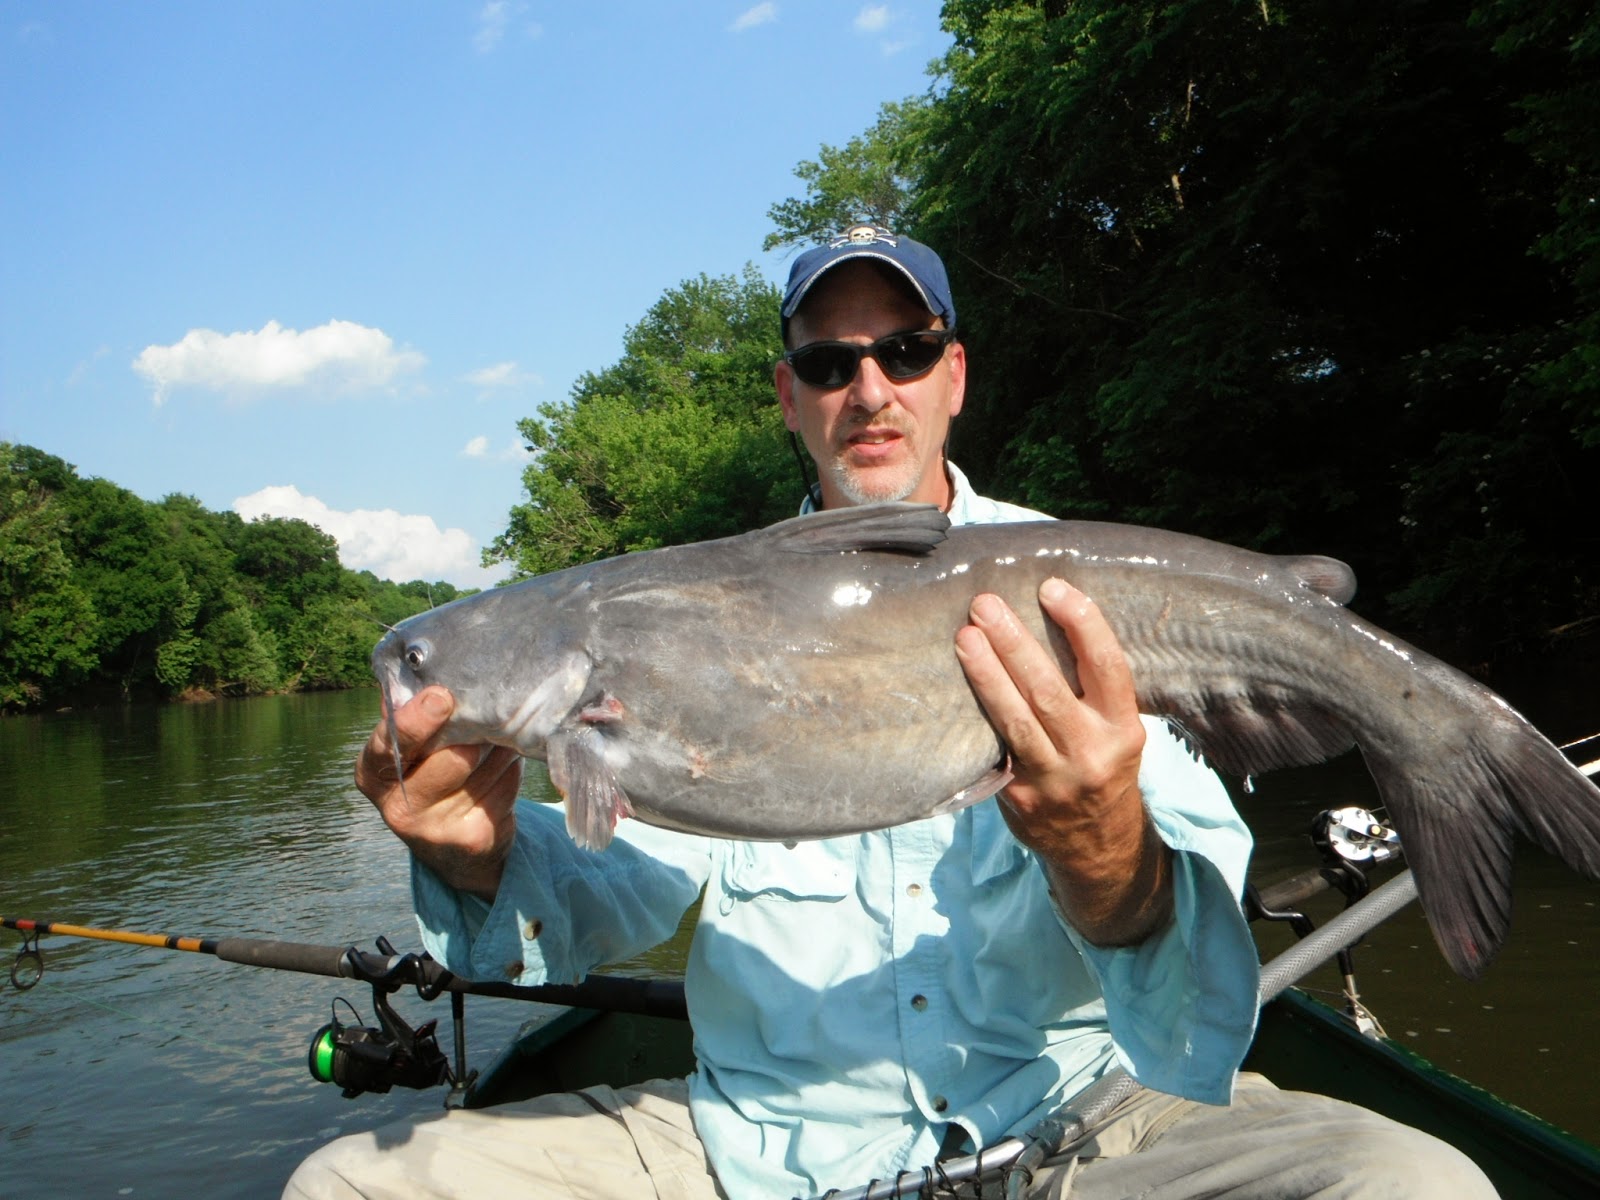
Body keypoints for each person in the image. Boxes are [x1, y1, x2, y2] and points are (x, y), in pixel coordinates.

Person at [286, 226, 1496, 1199]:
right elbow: (610, 898)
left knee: (1413, 1184)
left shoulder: (1071, 590)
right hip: (761, 1155)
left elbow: (1186, 979)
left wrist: (1102, 849)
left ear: (951, 375)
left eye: (905, 350)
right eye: (826, 362)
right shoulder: (675, 621)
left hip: (1076, 1130)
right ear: (788, 394)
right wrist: (479, 855)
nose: (868, 387)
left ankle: (1450, 749)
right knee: (348, 1185)